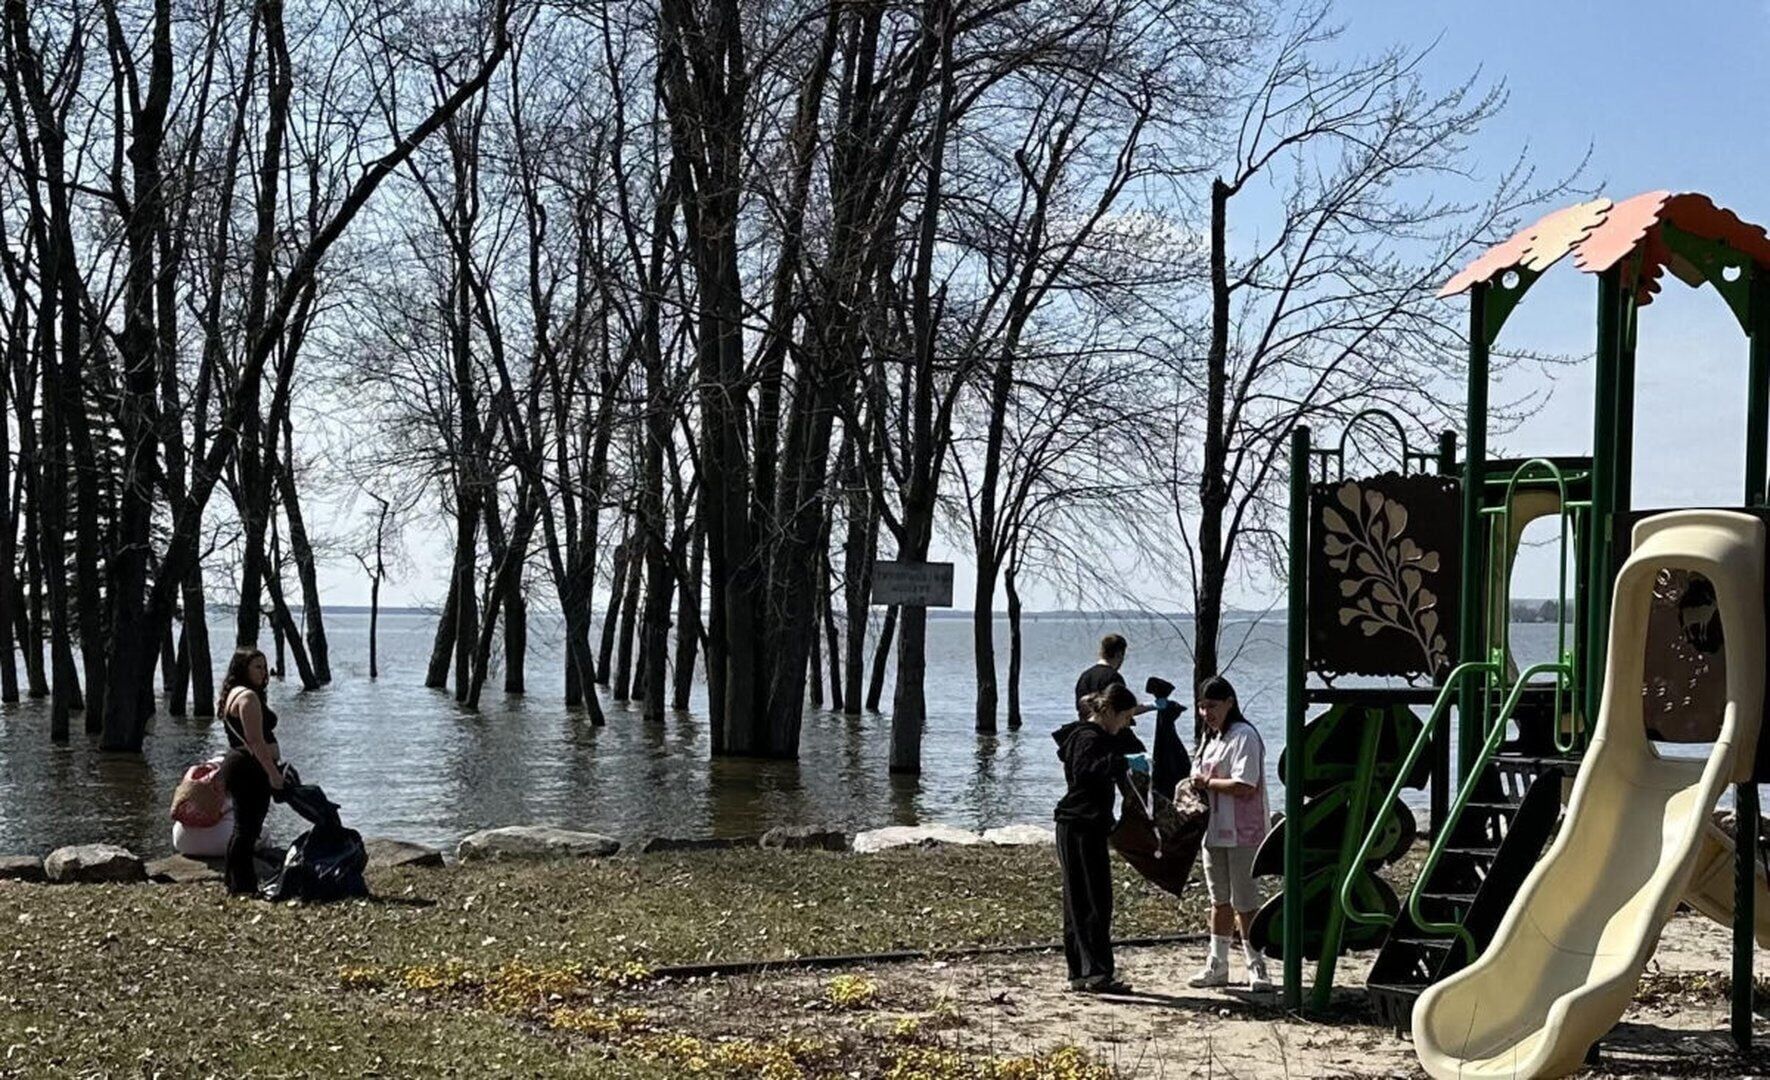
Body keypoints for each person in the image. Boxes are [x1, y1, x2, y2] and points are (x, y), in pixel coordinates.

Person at [1053, 682, 1147, 994]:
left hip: (1084, 823)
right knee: (1093, 900)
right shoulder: (1087, 738)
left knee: (1080, 899)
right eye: (1125, 718)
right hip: (1080, 824)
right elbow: (1086, 771)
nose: (1126, 725)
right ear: (1110, 712)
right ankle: (1096, 972)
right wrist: (1123, 762)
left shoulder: (1096, 736)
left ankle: (1082, 971)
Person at [1187, 675, 1272, 992]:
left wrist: (1207, 783)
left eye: (1212, 706)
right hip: (1213, 833)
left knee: (1245, 902)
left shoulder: (1244, 736)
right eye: (1202, 707)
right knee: (1219, 900)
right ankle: (1217, 964)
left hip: (1243, 832)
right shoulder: (1211, 738)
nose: (1206, 713)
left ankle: (1256, 965)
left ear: (1229, 703)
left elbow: (1245, 784)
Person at [217, 648, 285, 895]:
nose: (263, 672)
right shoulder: (248, 698)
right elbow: (255, 741)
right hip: (250, 768)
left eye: (264, 667)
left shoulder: (234, 694)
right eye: (257, 667)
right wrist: (273, 773)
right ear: (242, 669)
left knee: (243, 827)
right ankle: (243, 886)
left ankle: (234, 883)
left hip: (241, 765)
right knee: (248, 829)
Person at [1073, 634, 1129, 720]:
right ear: (1119, 654)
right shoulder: (1114, 677)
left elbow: (1080, 707)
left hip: (1085, 726)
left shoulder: (1085, 676)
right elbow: (1124, 710)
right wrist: (1150, 706)